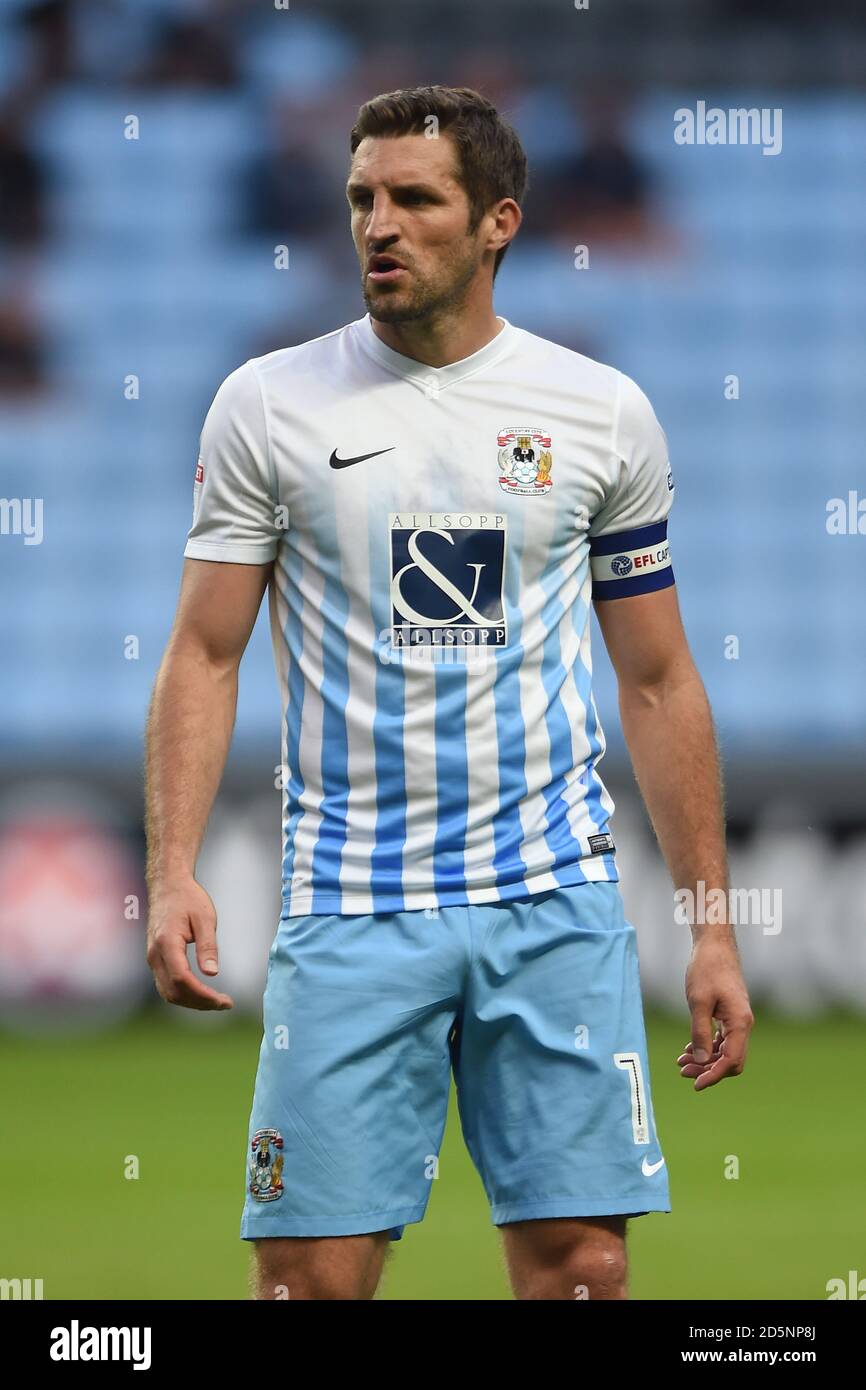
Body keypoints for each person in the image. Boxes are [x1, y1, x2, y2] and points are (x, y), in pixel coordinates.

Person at [145, 84, 753, 1301]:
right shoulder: (269, 403)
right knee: (305, 1282)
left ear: (496, 222)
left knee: (580, 1269)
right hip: (352, 901)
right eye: (363, 197)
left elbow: (656, 675)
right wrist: (169, 871)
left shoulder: (597, 411)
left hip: (553, 901)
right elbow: (202, 654)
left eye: (415, 198)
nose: (379, 222)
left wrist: (711, 923)